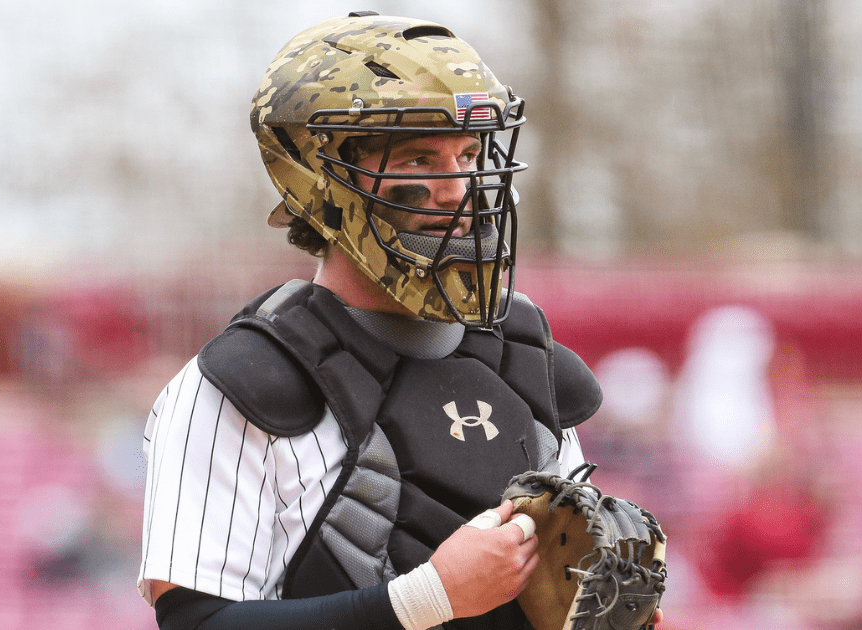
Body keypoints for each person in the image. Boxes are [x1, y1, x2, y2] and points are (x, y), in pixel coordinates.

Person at [137, 11, 614, 630]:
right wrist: (425, 600)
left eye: (470, 154)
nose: (459, 188)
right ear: (319, 177)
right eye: (419, 159)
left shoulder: (525, 359)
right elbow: (196, 624)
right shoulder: (241, 383)